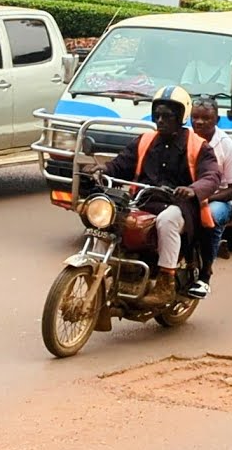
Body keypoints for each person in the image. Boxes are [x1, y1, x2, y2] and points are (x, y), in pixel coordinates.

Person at [88, 86, 222, 307]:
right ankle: (98, 272)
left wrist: (193, 189)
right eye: (157, 115)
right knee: (108, 218)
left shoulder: (198, 146)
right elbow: (121, 163)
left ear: (181, 117)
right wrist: (102, 170)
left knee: (167, 220)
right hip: (144, 200)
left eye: (167, 116)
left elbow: (212, 175)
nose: (160, 120)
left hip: (181, 206)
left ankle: (165, 282)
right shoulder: (145, 140)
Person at [187, 98, 232, 299]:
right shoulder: (185, 139)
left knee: (210, 217)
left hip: (218, 199)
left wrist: (206, 197)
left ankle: (205, 274)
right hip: (186, 195)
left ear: (217, 119)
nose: (199, 122)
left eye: (206, 118)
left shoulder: (226, 146)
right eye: (195, 117)